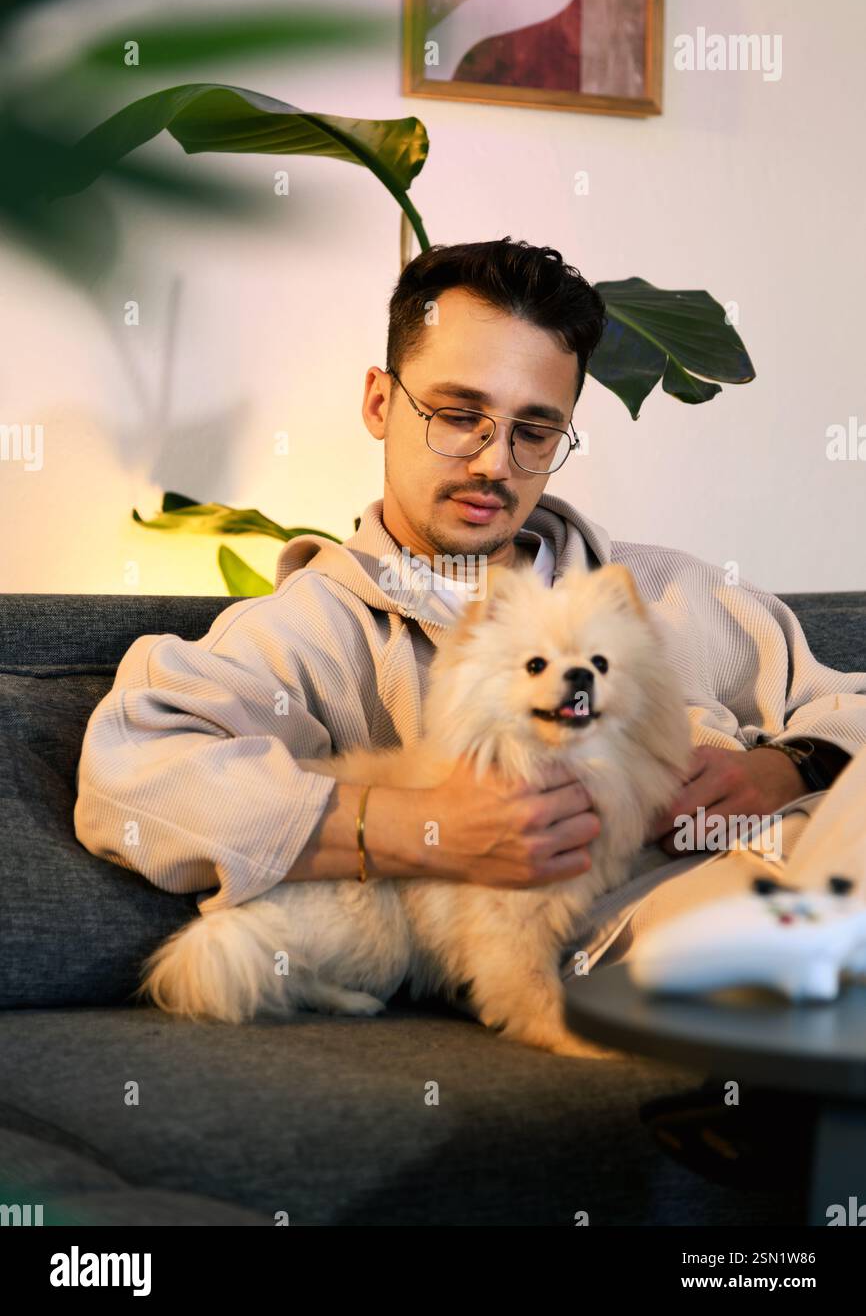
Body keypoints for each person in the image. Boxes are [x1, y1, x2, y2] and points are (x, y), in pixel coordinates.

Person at [73, 238, 866, 973]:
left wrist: (786, 765)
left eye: (535, 431)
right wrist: (428, 830)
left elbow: (845, 702)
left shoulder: (674, 592)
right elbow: (130, 777)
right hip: (665, 946)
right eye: (458, 416)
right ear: (381, 404)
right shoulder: (313, 632)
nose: (496, 461)